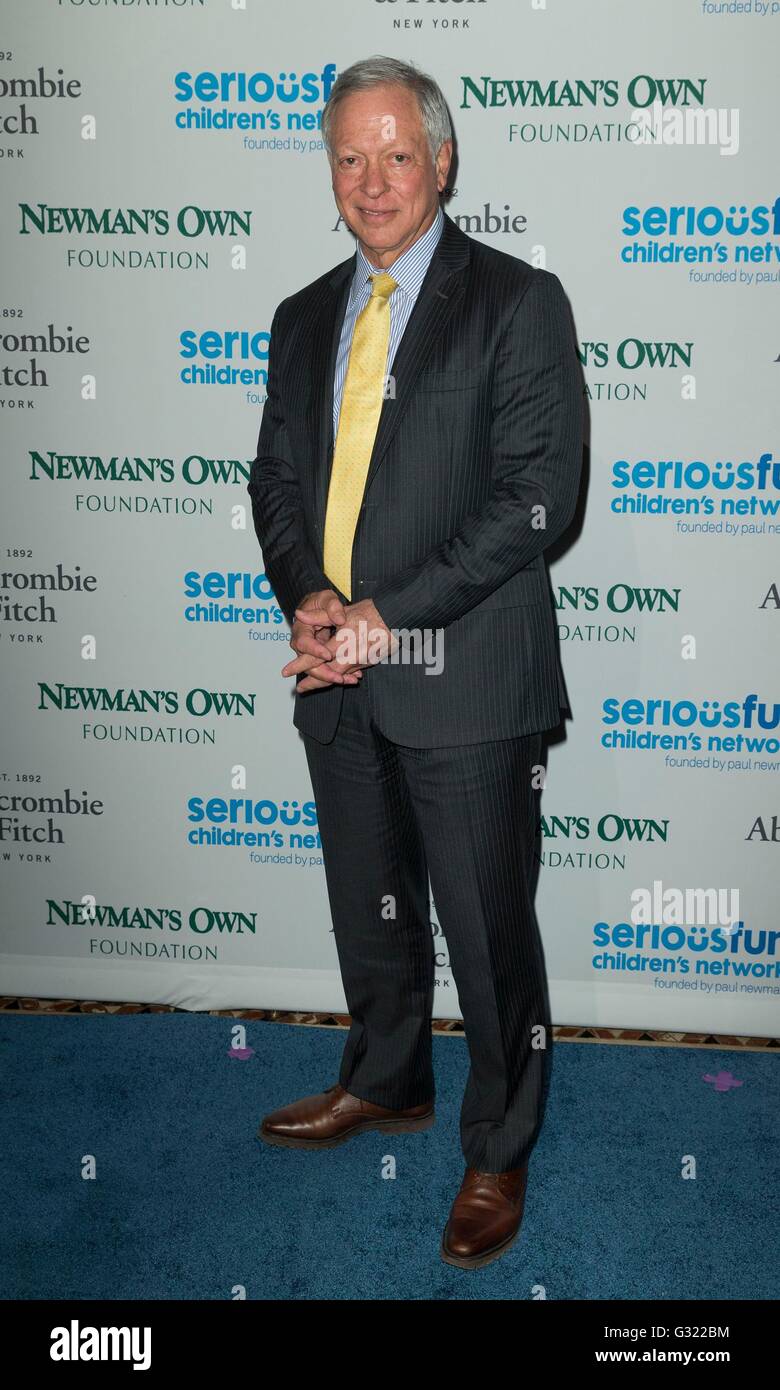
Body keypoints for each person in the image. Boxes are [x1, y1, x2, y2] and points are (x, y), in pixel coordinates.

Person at [247, 54, 584, 1269]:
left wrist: (391, 611)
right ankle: (386, 1077)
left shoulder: (516, 301)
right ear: (329, 171)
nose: (374, 179)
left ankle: (499, 1146)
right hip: (337, 673)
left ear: (444, 161)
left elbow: (542, 498)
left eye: (398, 153)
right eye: (350, 156)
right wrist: (313, 599)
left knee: (488, 931)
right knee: (371, 907)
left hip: (468, 673)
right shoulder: (299, 317)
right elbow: (277, 480)